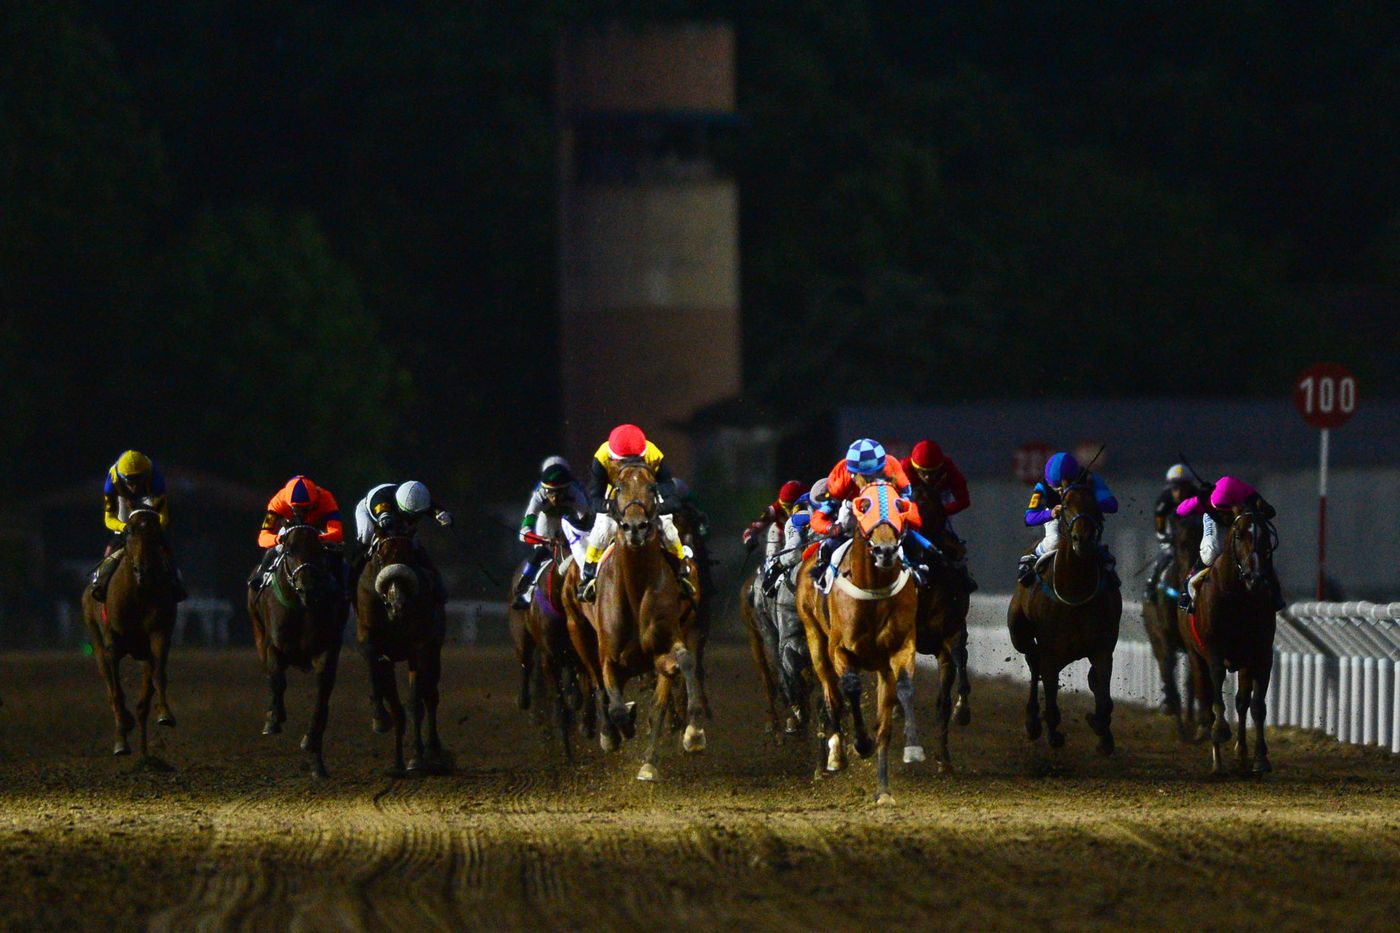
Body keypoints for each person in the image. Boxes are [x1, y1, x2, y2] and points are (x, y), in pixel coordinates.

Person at [579, 424, 694, 602]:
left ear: (643, 455)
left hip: (648, 497)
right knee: (602, 529)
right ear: (613, 459)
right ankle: (587, 577)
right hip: (617, 498)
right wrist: (609, 507)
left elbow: (672, 498)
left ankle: (683, 572)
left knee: (668, 529)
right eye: (625, 463)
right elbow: (594, 498)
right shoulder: (601, 457)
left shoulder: (654, 454)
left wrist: (658, 509)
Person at [808, 438, 918, 586]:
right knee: (830, 543)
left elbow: (908, 500)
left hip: (885, 506)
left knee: (910, 535)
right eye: (865, 477)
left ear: (883, 468)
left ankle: (917, 567)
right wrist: (832, 528)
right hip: (855, 508)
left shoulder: (892, 466)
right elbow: (818, 517)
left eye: (877, 473)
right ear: (852, 473)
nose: (871, 481)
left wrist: (903, 517)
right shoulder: (840, 481)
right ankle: (822, 569)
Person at [1176, 476, 1284, 611]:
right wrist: (1199, 497)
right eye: (1220, 512)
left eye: (1226, 513)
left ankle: (1274, 589)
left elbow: (1271, 512)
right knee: (1210, 552)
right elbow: (1180, 510)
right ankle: (1188, 588)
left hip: (1241, 521)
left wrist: (1261, 509)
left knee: (1257, 548)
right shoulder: (1206, 500)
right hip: (1214, 521)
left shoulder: (1247, 494)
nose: (1224, 517)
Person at [91, 450, 186, 602]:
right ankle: (100, 582)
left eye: (138, 480)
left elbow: (163, 515)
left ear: (145, 475)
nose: (134, 486)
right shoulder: (112, 480)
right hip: (123, 500)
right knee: (112, 547)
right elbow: (109, 519)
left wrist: (154, 529)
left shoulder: (156, 478)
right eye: (130, 481)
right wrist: (123, 528)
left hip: (147, 499)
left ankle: (175, 580)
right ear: (122, 477)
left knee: (163, 543)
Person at [1017, 451, 1118, 587]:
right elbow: (1029, 518)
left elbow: (1112, 505)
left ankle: (1103, 557)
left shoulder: (1089, 479)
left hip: (1082, 515)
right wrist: (1051, 513)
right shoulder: (1043, 486)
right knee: (1054, 540)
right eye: (1056, 488)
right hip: (1056, 517)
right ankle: (1033, 556)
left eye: (1063, 487)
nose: (1060, 491)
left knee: (1087, 537)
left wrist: (1087, 502)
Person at [351, 480, 453, 602]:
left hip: (396, 517)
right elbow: (382, 512)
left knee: (415, 545)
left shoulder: (417, 498)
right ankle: (351, 580)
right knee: (366, 535)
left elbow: (432, 507)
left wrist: (442, 514)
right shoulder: (382, 503)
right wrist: (385, 518)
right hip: (370, 511)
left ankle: (436, 584)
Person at [510, 456, 591, 610]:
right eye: (551, 492)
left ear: (568, 488)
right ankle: (525, 590)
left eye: (560, 492)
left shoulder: (578, 495)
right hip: (546, 522)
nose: (554, 498)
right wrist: (545, 540)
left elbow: (586, 526)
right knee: (541, 552)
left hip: (570, 521)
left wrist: (572, 539)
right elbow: (523, 533)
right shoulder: (538, 496)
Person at [900, 439, 977, 592]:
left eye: (932, 473)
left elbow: (963, 500)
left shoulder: (950, 469)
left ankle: (961, 572)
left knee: (951, 539)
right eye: (923, 473)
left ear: (940, 467)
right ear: (914, 468)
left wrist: (940, 512)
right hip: (911, 507)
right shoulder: (903, 469)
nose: (928, 477)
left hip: (940, 505)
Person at [249, 475, 345, 591]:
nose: (302, 514)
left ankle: (345, 586)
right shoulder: (277, 502)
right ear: (289, 505)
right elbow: (263, 537)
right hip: (289, 529)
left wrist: (319, 538)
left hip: (316, 530)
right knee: (278, 548)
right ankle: (261, 575)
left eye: (306, 509)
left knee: (337, 552)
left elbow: (337, 533)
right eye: (297, 509)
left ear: (315, 501)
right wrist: (279, 539)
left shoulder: (326, 498)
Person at [1144, 464, 1201, 601]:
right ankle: (1151, 585)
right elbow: (1160, 528)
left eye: (1183, 487)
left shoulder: (1198, 496)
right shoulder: (1163, 501)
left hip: (1195, 538)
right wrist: (1167, 539)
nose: (1180, 492)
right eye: (1175, 488)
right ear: (1170, 487)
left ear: (1190, 486)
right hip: (1171, 539)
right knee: (1166, 556)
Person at [760, 492, 812, 597]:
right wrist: (750, 535)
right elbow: (758, 523)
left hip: (823, 520)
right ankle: (775, 569)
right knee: (793, 553)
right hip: (800, 521)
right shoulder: (775, 508)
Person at [742, 481, 810, 552]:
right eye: (786, 506)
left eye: (791, 506)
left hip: (808, 533)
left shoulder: (813, 503)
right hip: (782, 536)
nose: (789, 510)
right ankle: (772, 560)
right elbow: (754, 527)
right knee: (774, 535)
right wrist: (750, 538)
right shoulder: (775, 509)